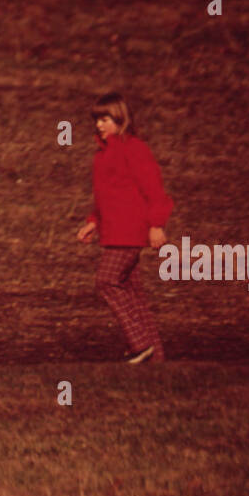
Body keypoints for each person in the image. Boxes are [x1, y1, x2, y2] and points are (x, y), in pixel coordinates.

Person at [76, 92, 174, 363]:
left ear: (121, 118)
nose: (99, 125)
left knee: (106, 281)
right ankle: (156, 360)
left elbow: (154, 190)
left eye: (105, 119)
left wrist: (157, 225)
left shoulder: (134, 148)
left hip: (130, 231)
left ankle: (140, 344)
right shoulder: (102, 156)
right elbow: (105, 196)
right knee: (133, 293)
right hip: (113, 232)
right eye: (97, 120)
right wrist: (93, 222)